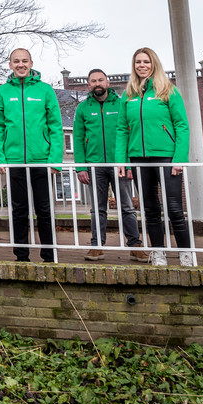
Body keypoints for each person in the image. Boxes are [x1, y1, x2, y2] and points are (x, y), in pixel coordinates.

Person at [118, 47, 194, 267]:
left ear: (154, 64)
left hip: (166, 158)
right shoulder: (128, 94)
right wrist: (121, 161)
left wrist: (180, 158)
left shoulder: (168, 91)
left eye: (146, 62)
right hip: (138, 159)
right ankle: (158, 252)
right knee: (150, 209)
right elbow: (122, 129)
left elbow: (182, 125)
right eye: (138, 62)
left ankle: (185, 253)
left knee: (174, 208)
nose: (142, 66)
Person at [0, 49, 61, 263]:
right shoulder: (1, 92)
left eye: (24, 61)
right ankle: (21, 256)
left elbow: (56, 126)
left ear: (31, 63)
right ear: (10, 65)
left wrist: (55, 159)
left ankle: (49, 255)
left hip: (42, 161)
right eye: (16, 61)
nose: (21, 64)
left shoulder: (45, 90)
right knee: (19, 210)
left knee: (44, 210)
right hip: (14, 162)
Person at [73, 69, 146, 262]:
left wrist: (128, 165)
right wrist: (80, 167)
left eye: (100, 80)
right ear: (89, 85)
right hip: (94, 165)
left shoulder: (122, 104)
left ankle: (135, 245)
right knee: (97, 208)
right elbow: (78, 140)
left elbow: (129, 134)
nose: (97, 83)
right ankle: (97, 245)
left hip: (119, 164)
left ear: (107, 82)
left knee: (127, 206)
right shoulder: (82, 108)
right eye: (93, 81)